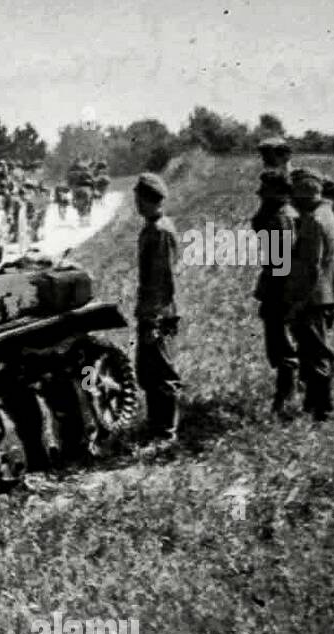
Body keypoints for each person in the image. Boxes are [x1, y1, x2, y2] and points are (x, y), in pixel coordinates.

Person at [285, 168, 334, 420]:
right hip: (327, 294)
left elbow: (311, 267)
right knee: (314, 351)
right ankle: (314, 404)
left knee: (315, 354)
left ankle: (324, 409)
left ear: (304, 196)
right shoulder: (328, 214)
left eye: (296, 196)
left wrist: (298, 303)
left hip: (313, 298)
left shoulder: (313, 221)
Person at [132, 172, 181, 448]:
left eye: (139, 198)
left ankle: (166, 433)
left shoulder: (159, 231)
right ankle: (155, 427)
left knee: (162, 373)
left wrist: (152, 320)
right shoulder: (153, 227)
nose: (136, 203)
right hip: (152, 311)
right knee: (148, 372)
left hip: (158, 313)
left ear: (148, 199)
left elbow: (162, 281)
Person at [250, 170, 301, 418]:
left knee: (281, 347)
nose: (260, 193)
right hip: (281, 287)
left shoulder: (278, 219)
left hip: (279, 290)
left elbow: (280, 263)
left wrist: (274, 296)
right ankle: (290, 393)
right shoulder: (285, 215)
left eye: (265, 190)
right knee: (283, 346)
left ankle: (285, 398)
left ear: (278, 192)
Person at [256, 137, 334, 229]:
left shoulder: (304, 178)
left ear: (285, 156)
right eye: (264, 156)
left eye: (269, 157)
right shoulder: (269, 181)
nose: (265, 161)